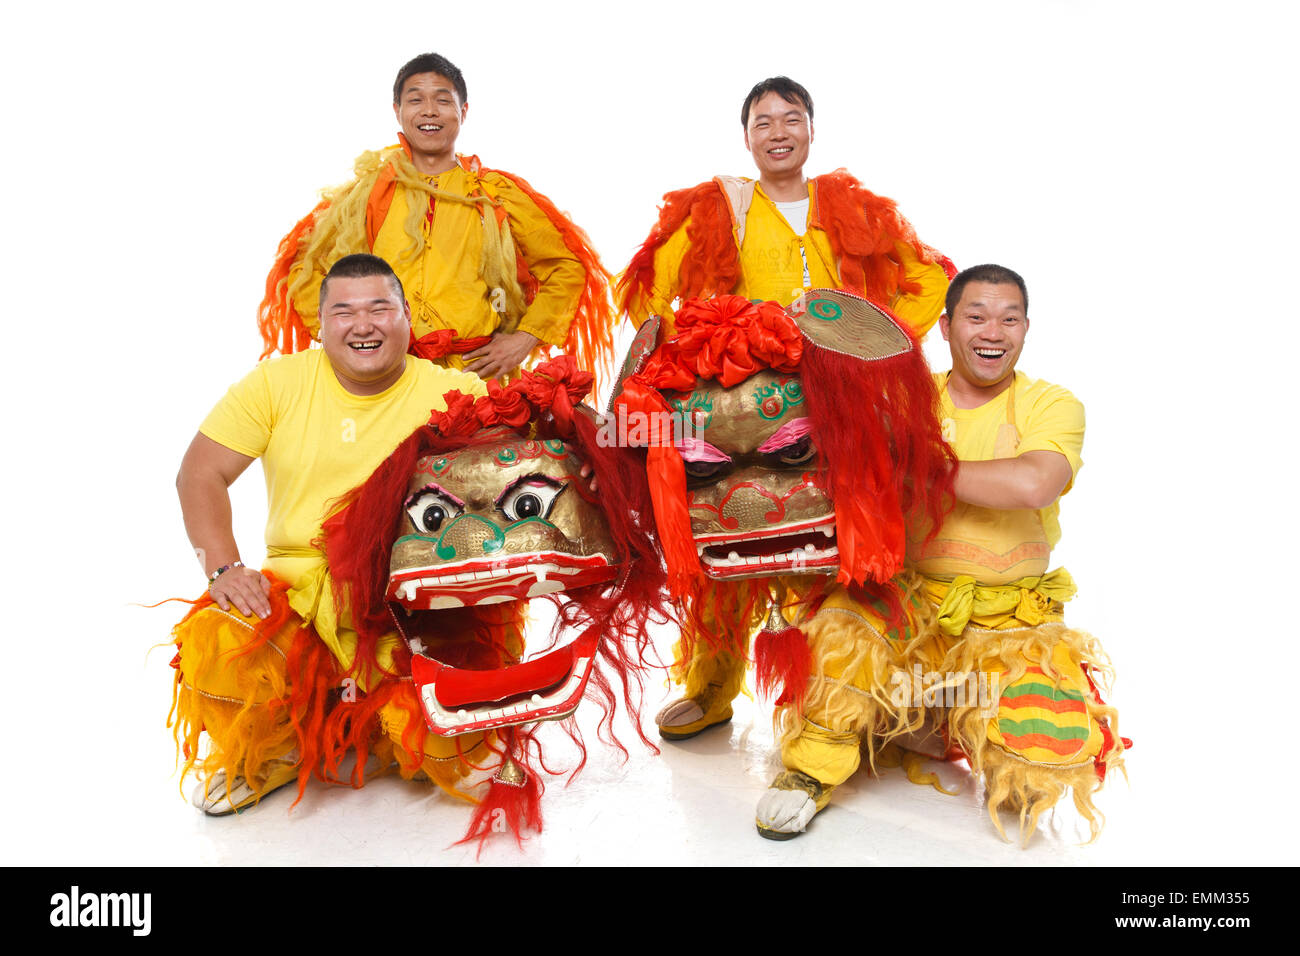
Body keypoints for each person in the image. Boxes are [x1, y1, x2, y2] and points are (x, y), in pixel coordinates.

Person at [615, 75, 954, 739]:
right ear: (746, 138)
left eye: (790, 118)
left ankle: (841, 692)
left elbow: (932, 276)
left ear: (811, 130)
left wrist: (870, 344)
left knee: (831, 543)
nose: (777, 131)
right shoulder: (719, 208)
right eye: (763, 121)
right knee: (729, 537)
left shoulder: (853, 205)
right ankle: (711, 688)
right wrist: (704, 346)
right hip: (739, 409)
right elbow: (648, 293)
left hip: (835, 403)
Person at [172, 254, 487, 814]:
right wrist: (223, 568)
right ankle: (274, 747)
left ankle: (376, 726)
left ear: (407, 316)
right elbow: (200, 473)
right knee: (219, 638)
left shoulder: (455, 392)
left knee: (448, 750)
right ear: (321, 324)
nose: (362, 325)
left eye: (378, 308)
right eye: (343, 311)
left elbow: (518, 476)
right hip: (298, 590)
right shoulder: (276, 382)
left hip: (410, 596)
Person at [909, 263, 1127, 840]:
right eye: (976, 316)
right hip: (911, 610)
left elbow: (1034, 483)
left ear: (1026, 329)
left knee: (1030, 776)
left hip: (1009, 619)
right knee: (835, 700)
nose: (992, 331)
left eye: (1009, 319)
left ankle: (960, 710)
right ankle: (927, 711)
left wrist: (915, 465)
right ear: (946, 325)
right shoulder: (908, 398)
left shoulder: (1053, 404)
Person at [258, 53, 613, 381]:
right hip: (386, 379)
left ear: (464, 110)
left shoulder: (494, 194)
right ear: (397, 110)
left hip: (474, 379)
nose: (429, 111)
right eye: (416, 100)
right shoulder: (365, 196)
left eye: (443, 100)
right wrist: (346, 338)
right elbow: (305, 270)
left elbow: (565, 268)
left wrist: (524, 337)